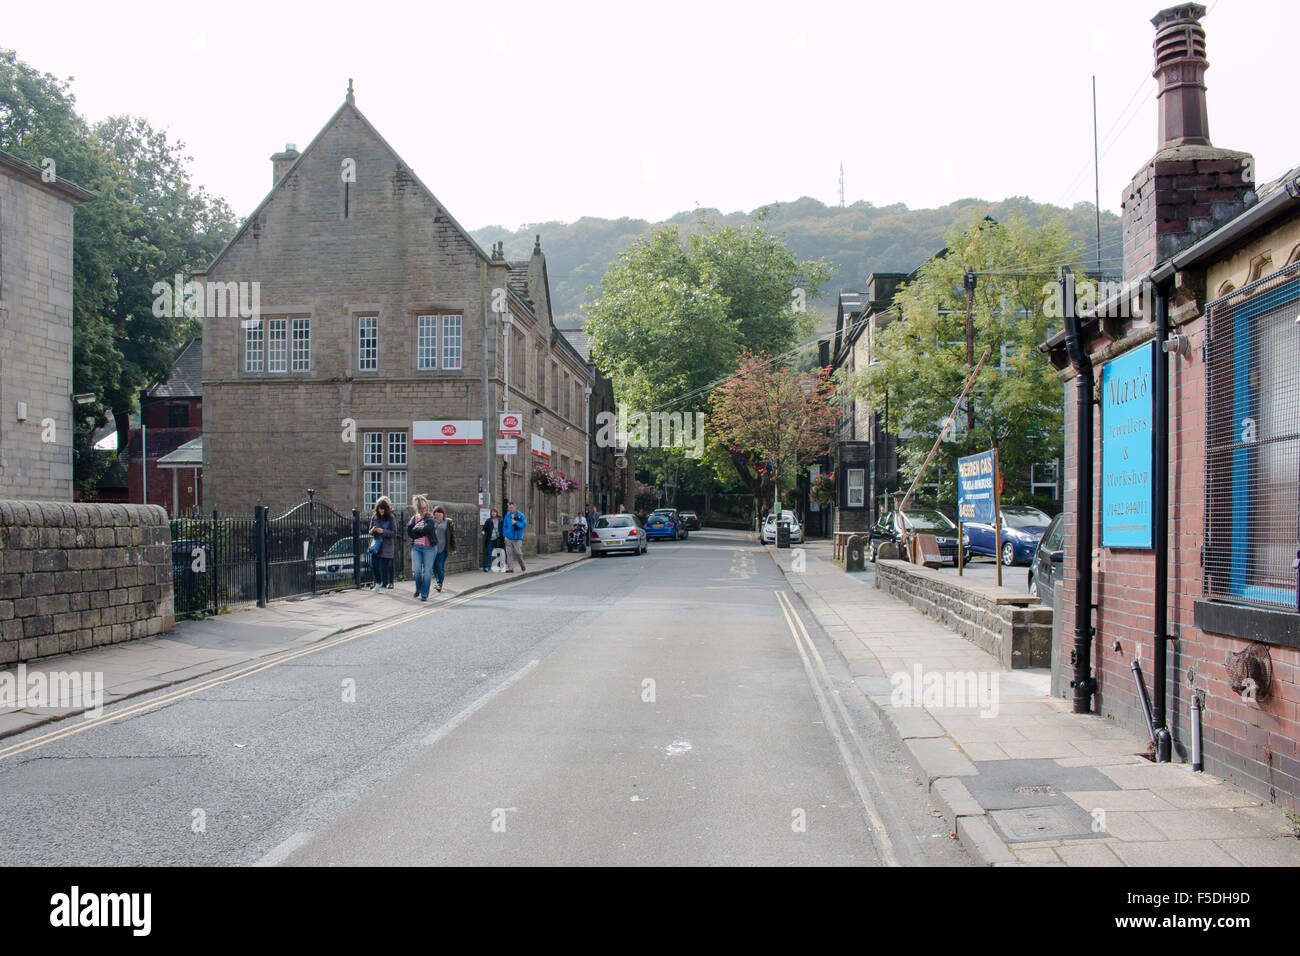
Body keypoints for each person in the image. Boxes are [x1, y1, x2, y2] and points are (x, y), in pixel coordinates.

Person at [407, 495, 435, 600]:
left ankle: (424, 594)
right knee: (416, 571)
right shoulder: (414, 518)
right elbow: (409, 532)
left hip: (429, 548)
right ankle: (418, 588)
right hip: (416, 548)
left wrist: (416, 530)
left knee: (427, 572)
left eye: (425, 508)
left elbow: (427, 529)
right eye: (421, 508)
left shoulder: (430, 518)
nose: (424, 510)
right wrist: (418, 531)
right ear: (418, 509)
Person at [368, 496, 397, 590]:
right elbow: (370, 531)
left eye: (383, 509)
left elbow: (394, 532)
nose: (381, 511)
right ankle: (378, 583)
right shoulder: (374, 517)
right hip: (376, 545)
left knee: (385, 567)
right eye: (379, 509)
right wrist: (373, 530)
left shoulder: (391, 518)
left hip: (386, 546)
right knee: (374, 565)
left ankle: (385, 585)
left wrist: (383, 531)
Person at [429, 505, 456, 593]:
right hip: (432, 547)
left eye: (439, 515)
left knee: (440, 566)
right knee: (433, 566)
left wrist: (453, 548)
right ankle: (438, 582)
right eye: (436, 515)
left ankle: (439, 584)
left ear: (443, 515)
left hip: (443, 547)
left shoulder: (448, 523)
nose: (437, 517)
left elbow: (452, 536)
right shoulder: (431, 522)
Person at [503, 501, 527, 572]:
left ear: (515, 507)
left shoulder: (521, 515)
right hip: (508, 537)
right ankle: (510, 568)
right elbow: (504, 526)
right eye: (509, 508)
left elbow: (524, 525)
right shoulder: (507, 515)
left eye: (511, 507)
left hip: (517, 538)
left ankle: (522, 564)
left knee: (518, 553)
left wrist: (516, 522)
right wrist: (505, 535)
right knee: (509, 553)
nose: (510, 509)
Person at [482, 508, 503, 572]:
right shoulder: (488, 520)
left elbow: (503, 528)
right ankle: (488, 567)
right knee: (489, 552)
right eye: (492, 512)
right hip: (490, 539)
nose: (493, 513)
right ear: (491, 513)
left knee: (499, 553)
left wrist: (504, 536)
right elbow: (484, 528)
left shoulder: (500, 520)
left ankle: (500, 566)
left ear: (497, 513)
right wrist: (483, 531)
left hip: (498, 538)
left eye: (494, 512)